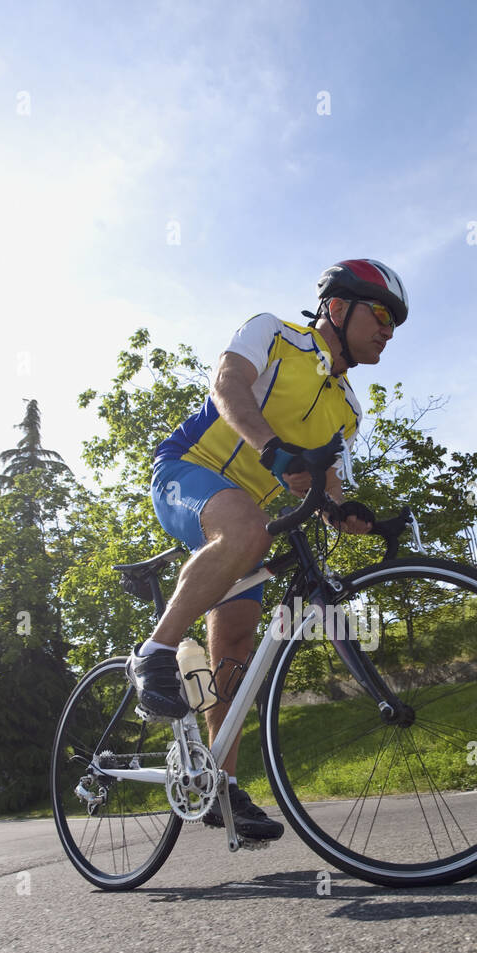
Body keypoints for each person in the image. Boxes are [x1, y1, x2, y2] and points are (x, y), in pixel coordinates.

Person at [126, 259, 409, 841]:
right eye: (380, 315)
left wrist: (347, 511)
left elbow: (325, 483)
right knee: (248, 528)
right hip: (188, 471)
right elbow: (227, 385)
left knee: (232, 650)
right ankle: (154, 652)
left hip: (246, 518)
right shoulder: (273, 332)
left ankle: (216, 785)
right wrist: (271, 448)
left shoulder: (349, 409)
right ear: (337, 308)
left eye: (394, 325)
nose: (387, 330)